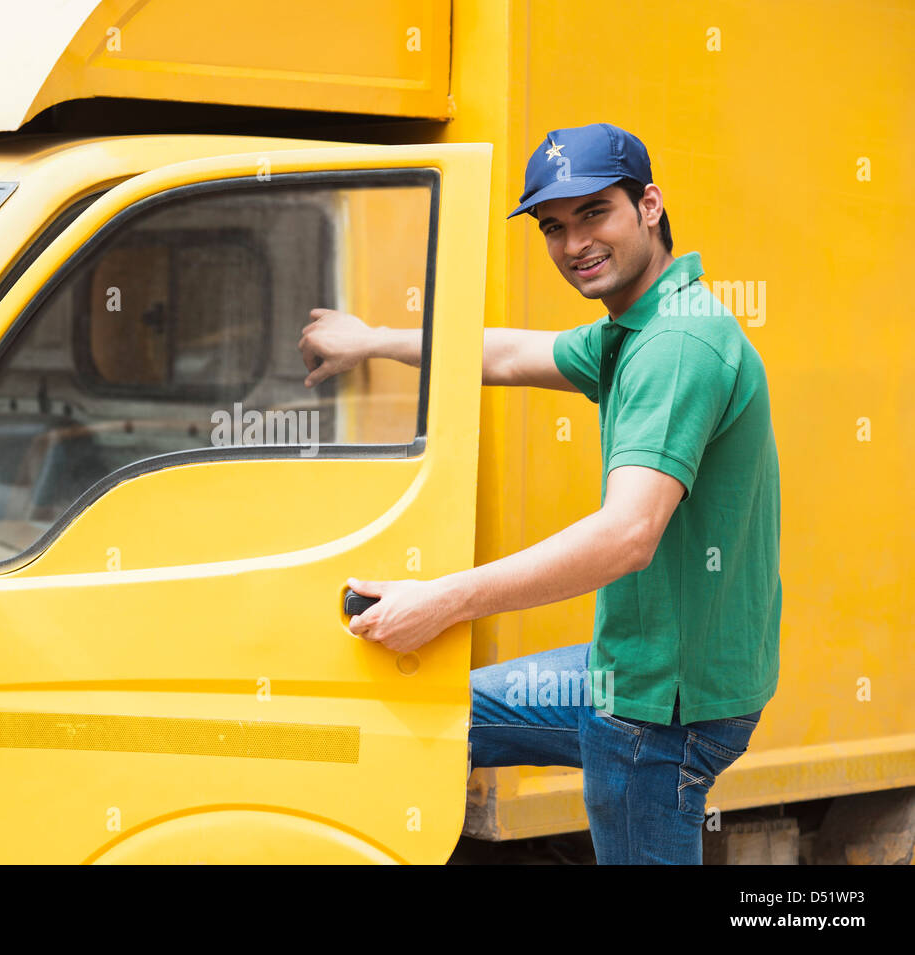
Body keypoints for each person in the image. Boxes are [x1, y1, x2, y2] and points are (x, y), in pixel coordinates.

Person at [296, 123, 782, 865]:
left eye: (595, 213)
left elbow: (627, 535)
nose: (572, 243)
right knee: (444, 711)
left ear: (649, 205)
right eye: (554, 227)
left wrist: (442, 600)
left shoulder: (675, 348)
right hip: (627, 668)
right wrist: (372, 338)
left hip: (659, 710)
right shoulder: (637, 327)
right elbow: (513, 354)